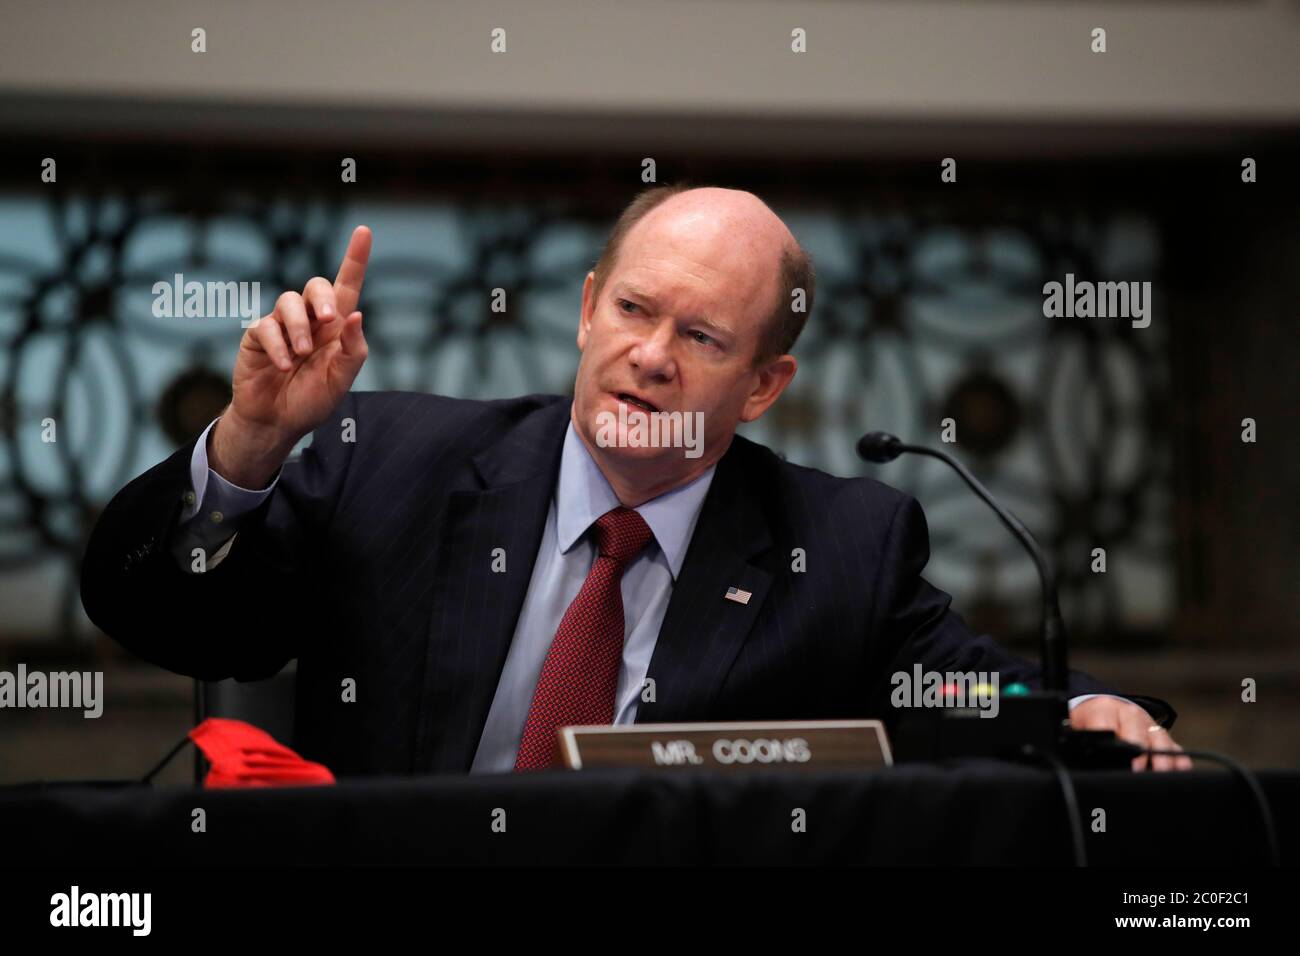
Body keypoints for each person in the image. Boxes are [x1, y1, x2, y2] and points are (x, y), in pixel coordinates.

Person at [80, 184, 1191, 775]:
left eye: (702, 335)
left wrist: (1089, 707)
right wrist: (249, 448)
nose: (651, 355)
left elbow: (958, 689)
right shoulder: (395, 463)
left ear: (763, 384)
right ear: (583, 310)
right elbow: (163, 615)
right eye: (631, 310)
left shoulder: (841, 541)